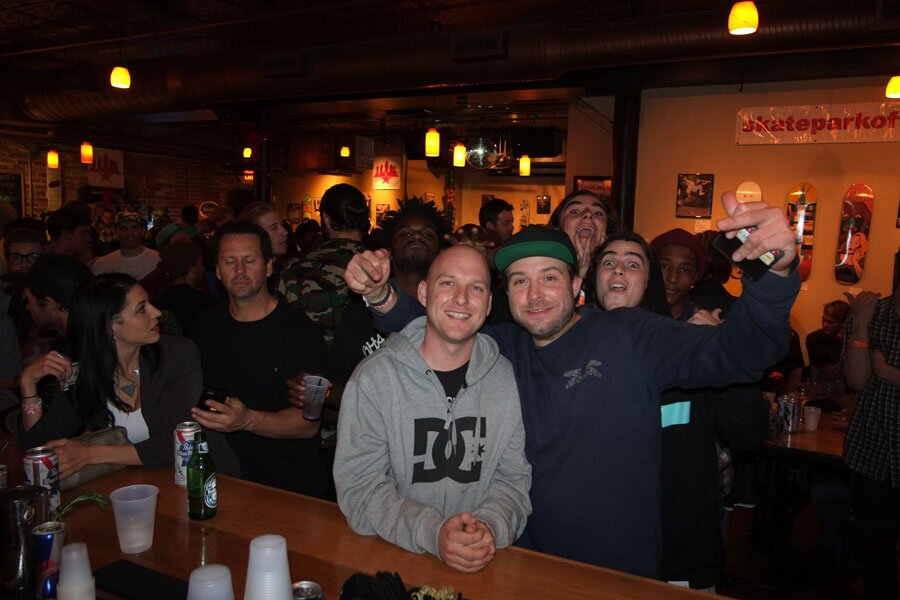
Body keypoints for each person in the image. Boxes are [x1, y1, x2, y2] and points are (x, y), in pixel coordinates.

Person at [348, 191, 799, 578]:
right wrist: (380, 295)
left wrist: (773, 276)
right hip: (518, 563)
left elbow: (738, 353)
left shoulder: (629, 334)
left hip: (617, 574)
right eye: (520, 281)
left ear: (577, 283)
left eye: (549, 277)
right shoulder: (503, 348)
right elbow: (442, 323)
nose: (536, 294)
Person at [334, 245, 531, 572]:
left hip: (482, 564)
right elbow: (360, 488)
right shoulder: (374, 378)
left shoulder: (508, 383)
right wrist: (432, 533)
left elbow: (513, 483)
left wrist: (487, 528)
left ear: (489, 304)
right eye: (448, 283)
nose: (462, 298)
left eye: (476, 288)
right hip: (391, 561)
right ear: (423, 293)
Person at [593, 232, 767, 590]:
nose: (619, 272)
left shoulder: (691, 347)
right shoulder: (576, 349)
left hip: (681, 550)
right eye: (609, 263)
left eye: (633, 264)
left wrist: (725, 354)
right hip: (600, 549)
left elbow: (748, 432)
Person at [190, 220, 330, 497]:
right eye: (230, 261)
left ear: (268, 266)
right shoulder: (204, 326)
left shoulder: (301, 332)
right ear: (217, 270)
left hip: (289, 486)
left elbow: (307, 424)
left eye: (249, 260)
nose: (239, 270)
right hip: (224, 479)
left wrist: (247, 420)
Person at [17, 273, 201, 477]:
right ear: (110, 325)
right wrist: (28, 385)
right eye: (142, 309)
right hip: (127, 484)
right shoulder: (84, 372)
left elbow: (178, 443)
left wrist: (89, 454)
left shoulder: (177, 354)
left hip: (193, 479)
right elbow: (37, 449)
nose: (156, 312)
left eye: (149, 303)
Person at [842, 287, 900, 600]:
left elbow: (876, 374)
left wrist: (889, 372)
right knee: (873, 555)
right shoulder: (871, 314)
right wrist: (861, 326)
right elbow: (857, 380)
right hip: (872, 454)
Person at [277, 183, 369, 347]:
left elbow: (283, 329)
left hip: (310, 367)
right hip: (369, 366)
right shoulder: (382, 268)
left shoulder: (295, 269)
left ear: (326, 218)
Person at [154, 241, 215, 336]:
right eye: (201, 263)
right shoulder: (205, 303)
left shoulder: (158, 302)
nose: (203, 268)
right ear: (192, 268)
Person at [650, 228, 707, 321]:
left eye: (685, 270)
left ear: (696, 277)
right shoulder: (631, 318)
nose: (673, 278)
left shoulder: (704, 325)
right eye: (664, 266)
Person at [93, 212, 160, 280]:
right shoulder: (102, 264)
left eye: (134, 228)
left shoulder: (159, 260)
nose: (129, 233)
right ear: (116, 232)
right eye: (123, 228)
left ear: (142, 231)